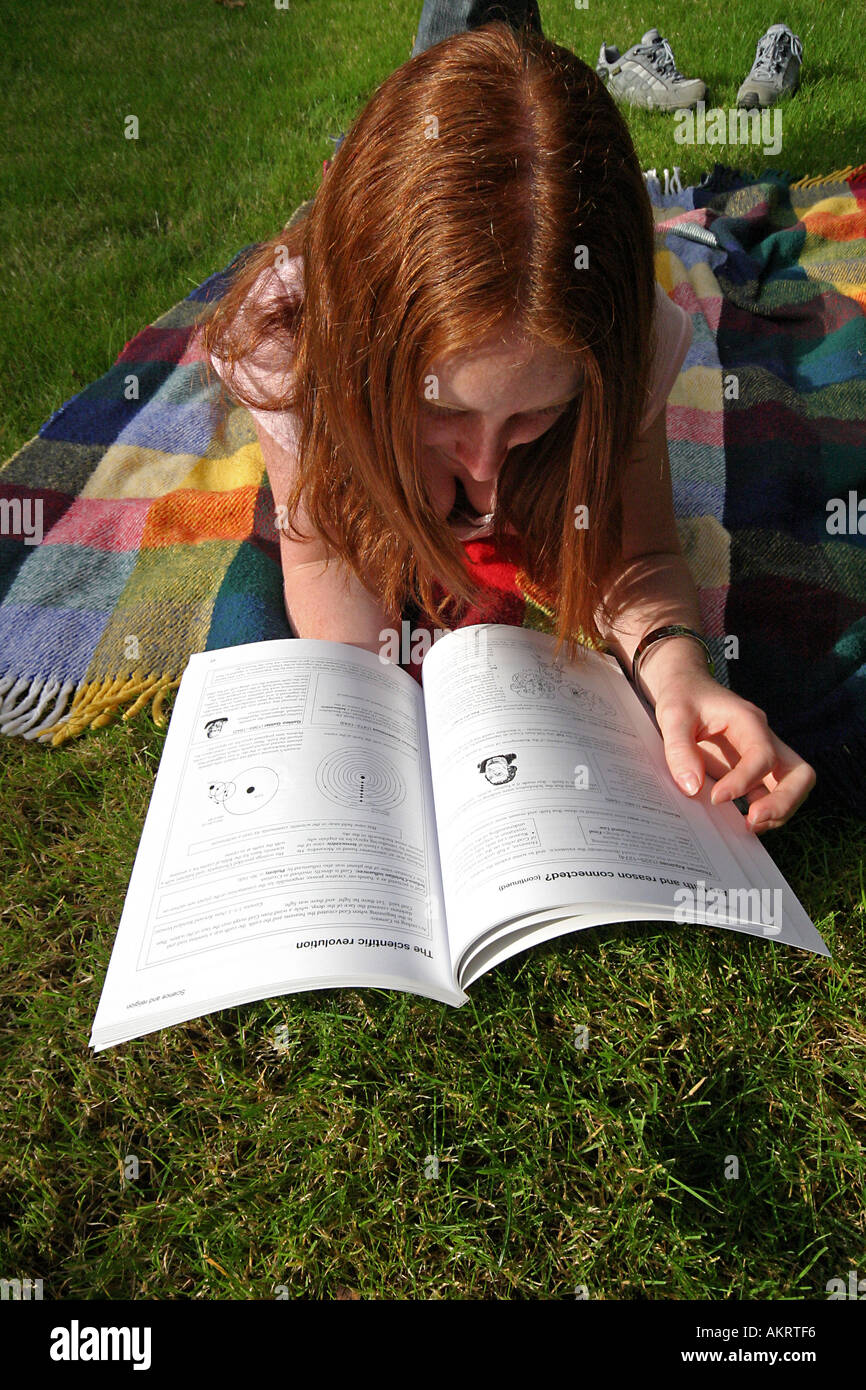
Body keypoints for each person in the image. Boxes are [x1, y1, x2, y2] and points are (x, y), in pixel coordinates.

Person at [201, 15, 815, 833]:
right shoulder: (288, 351)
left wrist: (676, 670)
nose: (486, 469)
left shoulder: (633, 342)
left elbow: (638, 553)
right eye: (440, 408)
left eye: (535, 413)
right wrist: (368, 726)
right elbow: (317, 550)